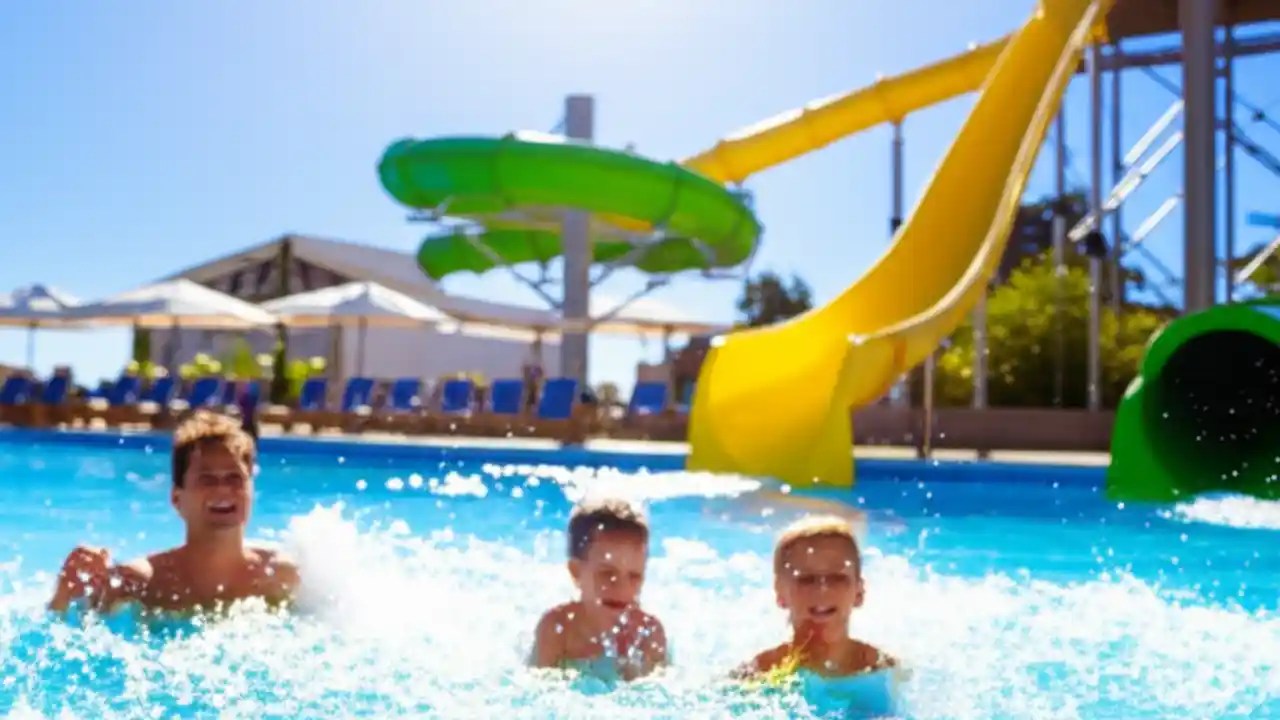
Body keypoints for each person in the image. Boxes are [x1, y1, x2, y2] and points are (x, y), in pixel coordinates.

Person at [48, 410, 298, 617]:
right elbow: (62, 631)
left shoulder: (282, 575)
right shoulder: (141, 582)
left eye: (235, 478)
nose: (223, 489)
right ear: (177, 499)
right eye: (207, 479)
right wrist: (65, 592)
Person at [735, 515, 897, 681]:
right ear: (780, 592)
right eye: (806, 579)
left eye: (837, 578)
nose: (822, 589)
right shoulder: (758, 673)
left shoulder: (883, 669)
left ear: (859, 592)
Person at [529, 497, 668, 680]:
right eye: (607, 574)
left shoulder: (648, 635)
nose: (622, 588)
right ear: (576, 572)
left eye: (634, 576)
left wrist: (632, 672)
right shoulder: (558, 630)